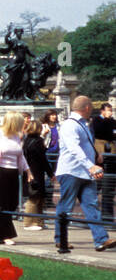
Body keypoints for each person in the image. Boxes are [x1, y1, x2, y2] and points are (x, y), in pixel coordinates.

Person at [54, 96, 113, 252]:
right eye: (91, 106)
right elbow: (74, 148)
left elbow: (84, 144)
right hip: (71, 171)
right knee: (66, 207)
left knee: (91, 205)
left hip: (85, 172)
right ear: (86, 107)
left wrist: (95, 156)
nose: (92, 109)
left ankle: (101, 240)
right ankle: (61, 240)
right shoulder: (69, 125)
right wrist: (91, 165)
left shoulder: (82, 124)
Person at [0, 110, 31, 246]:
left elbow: (20, 155)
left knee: (13, 203)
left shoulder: (15, 137)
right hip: (0, 173)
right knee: (4, 204)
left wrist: (28, 170)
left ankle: (1, 224)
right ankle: (5, 235)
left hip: (14, 172)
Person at [21, 117, 53, 230]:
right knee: (35, 198)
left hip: (29, 171)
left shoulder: (27, 140)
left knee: (36, 196)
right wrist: (51, 173)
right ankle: (29, 222)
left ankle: (39, 221)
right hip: (37, 171)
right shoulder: (38, 141)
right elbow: (43, 159)